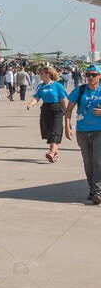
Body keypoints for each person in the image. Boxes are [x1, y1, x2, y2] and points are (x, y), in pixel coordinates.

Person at [65, 64, 101, 204]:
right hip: (82, 131)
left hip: (99, 130)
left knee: (98, 161)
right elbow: (68, 110)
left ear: (99, 76)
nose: (90, 77)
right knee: (88, 163)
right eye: (88, 75)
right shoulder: (80, 90)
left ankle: (98, 191)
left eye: (93, 74)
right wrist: (67, 126)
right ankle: (92, 189)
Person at [28, 66, 69, 163]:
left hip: (57, 109)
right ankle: (55, 154)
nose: (40, 75)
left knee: (55, 130)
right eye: (40, 73)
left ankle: (51, 152)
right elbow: (37, 98)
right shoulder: (40, 86)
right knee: (49, 131)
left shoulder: (58, 86)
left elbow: (63, 99)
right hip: (45, 109)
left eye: (42, 73)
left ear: (48, 74)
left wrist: (67, 112)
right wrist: (30, 104)